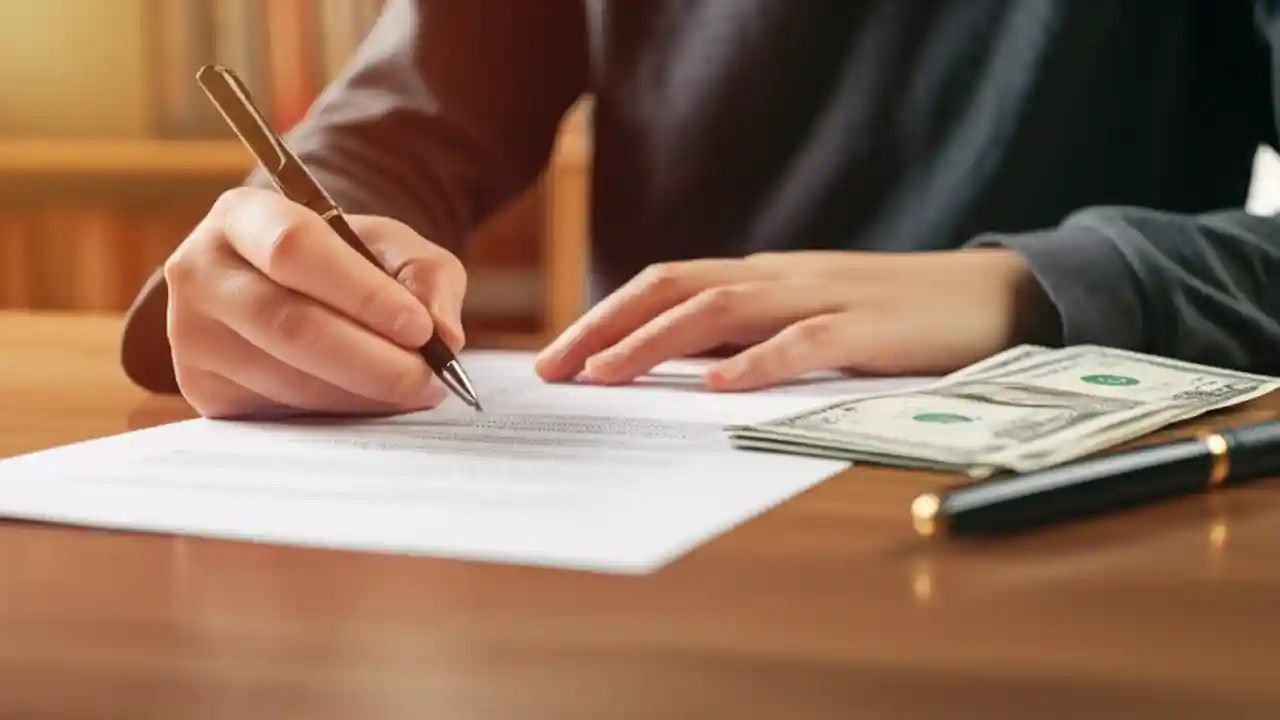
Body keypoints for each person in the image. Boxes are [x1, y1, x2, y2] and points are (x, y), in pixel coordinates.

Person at [121, 0, 1280, 418]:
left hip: (1084, 499)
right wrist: (279, 261)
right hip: (639, 497)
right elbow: (397, 129)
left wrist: (1033, 285)